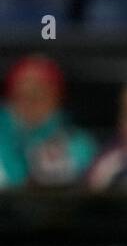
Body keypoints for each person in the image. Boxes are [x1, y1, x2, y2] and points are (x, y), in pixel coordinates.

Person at [0, 55, 96, 188]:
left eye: (38, 96)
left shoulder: (77, 144)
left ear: (56, 99)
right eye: (21, 96)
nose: (29, 104)